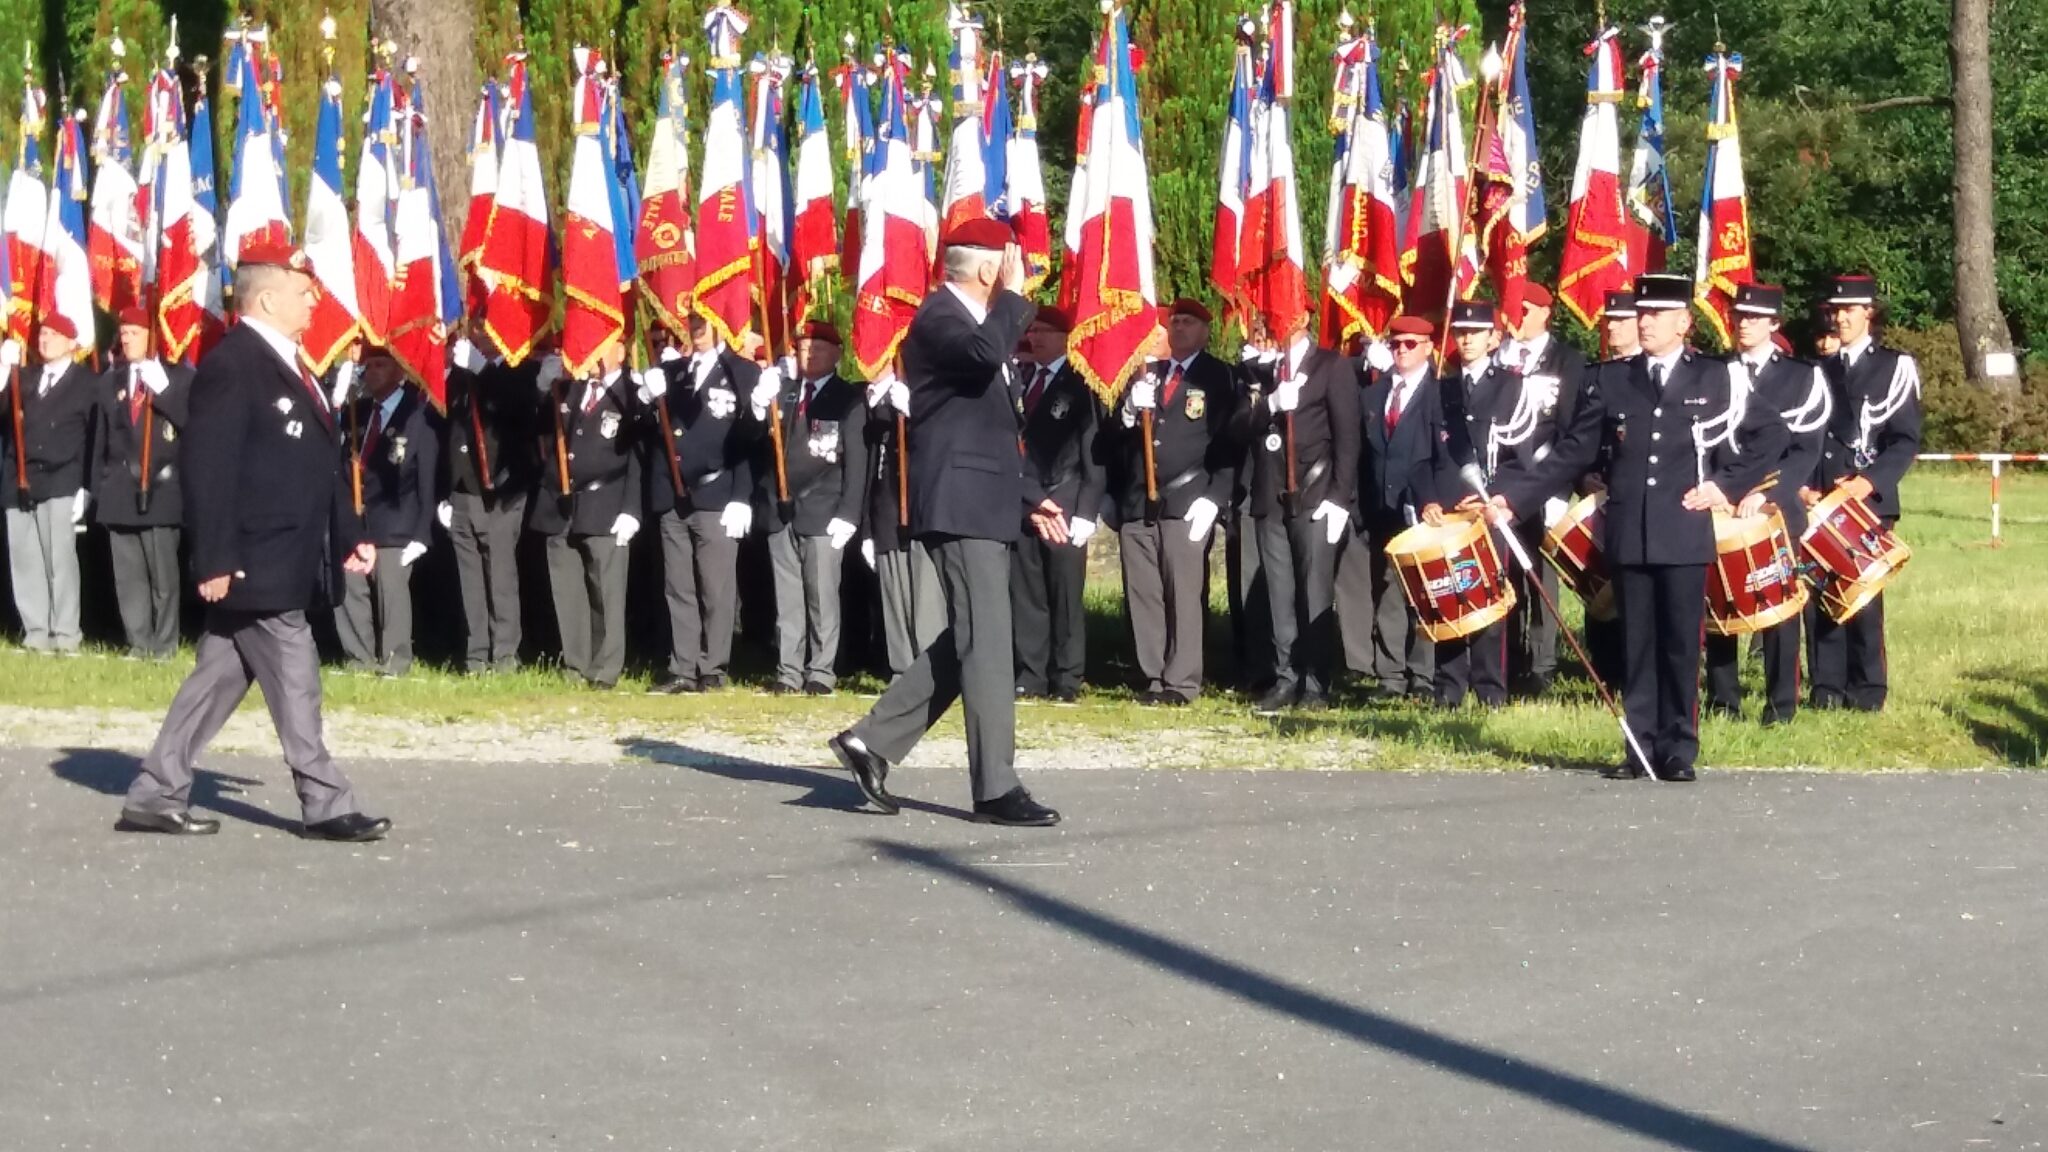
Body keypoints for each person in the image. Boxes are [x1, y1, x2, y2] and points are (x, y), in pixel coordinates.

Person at [119, 243, 390, 840]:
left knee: (217, 677)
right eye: (303, 290)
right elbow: (208, 467)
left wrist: (349, 534)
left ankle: (155, 791)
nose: (315, 298)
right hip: (253, 560)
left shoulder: (292, 363)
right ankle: (326, 802)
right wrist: (214, 557)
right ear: (267, 298)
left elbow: (319, 463)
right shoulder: (233, 363)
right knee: (297, 675)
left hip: (287, 554)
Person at [1497, 273, 1786, 782]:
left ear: (1684, 322)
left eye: (1655, 315)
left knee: (1679, 644)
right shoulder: (1612, 379)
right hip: (1629, 530)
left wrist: (1726, 485)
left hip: (1684, 530)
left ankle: (1678, 748)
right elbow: (1573, 451)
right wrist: (1515, 497)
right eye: (1641, 314)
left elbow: (1771, 434)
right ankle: (1639, 745)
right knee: (1638, 644)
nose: (1644, 322)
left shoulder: (1716, 377)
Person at [828, 219, 1066, 826]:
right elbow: (986, 353)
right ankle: (995, 789)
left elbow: (993, 430)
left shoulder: (974, 323)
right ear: (988, 267)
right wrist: (1011, 296)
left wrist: (1030, 494)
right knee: (985, 640)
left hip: (983, 498)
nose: (1020, 274)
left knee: (974, 637)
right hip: (959, 503)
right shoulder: (940, 318)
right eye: (1010, 262)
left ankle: (871, 742)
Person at [1705, 284, 1831, 725]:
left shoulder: (1802, 376)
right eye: (1740, 317)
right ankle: (1723, 701)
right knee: (1718, 603)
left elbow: (1805, 449)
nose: (1745, 325)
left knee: (1779, 605)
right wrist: (1718, 490)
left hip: (1775, 506)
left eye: (1756, 319)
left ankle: (1781, 704)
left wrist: (1768, 495)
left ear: (1774, 324)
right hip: (1720, 502)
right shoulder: (1714, 371)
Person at [1231, 313, 1360, 714]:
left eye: (1278, 312)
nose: (1270, 322)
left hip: (1316, 495)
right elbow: (1235, 428)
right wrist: (1269, 401)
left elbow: (1348, 437)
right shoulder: (1260, 371)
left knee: (1314, 590)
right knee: (1279, 594)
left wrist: (1340, 497)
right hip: (1271, 497)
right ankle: (1287, 677)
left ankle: (1317, 681)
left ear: (1301, 316)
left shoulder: (1330, 365)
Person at [1109, 298, 1234, 705]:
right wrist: (1128, 410)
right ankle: (1153, 676)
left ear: (1205, 330)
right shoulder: (1146, 375)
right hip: (1140, 498)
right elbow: (1111, 440)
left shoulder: (1219, 377)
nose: (1178, 328)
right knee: (1143, 591)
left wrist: (1215, 497)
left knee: (1183, 592)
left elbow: (1230, 443)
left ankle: (1182, 681)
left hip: (1188, 496)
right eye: (1174, 321)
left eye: (1188, 322)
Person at [1809, 273, 1921, 713]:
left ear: (1869, 314)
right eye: (1835, 312)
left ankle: (1868, 689)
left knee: (1863, 595)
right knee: (1822, 595)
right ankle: (1826, 687)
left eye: (1849, 311)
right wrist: (1804, 485)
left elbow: (1904, 439)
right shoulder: (1819, 369)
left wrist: (1869, 481)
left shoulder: (1894, 367)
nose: (1840, 319)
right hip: (1821, 496)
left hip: (1867, 498)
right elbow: (1811, 435)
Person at [643, 314, 769, 694]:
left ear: (719, 323)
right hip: (673, 492)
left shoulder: (741, 373)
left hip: (718, 491)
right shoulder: (672, 371)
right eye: (691, 324)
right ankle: (682, 666)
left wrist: (741, 497)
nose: (695, 332)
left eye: (703, 324)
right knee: (678, 585)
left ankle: (713, 666)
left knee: (716, 587)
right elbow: (654, 434)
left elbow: (751, 442)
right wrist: (647, 401)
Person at [755, 320, 868, 695]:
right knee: (787, 597)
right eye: (802, 346)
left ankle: (820, 671)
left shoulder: (847, 398)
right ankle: (788, 670)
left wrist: (849, 513)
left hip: (824, 510)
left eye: (818, 346)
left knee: (821, 596)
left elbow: (857, 460)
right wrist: (758, 404)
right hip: (780, 508)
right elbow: (760, 446)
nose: (809, 352)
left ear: (837, 354)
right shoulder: (784, 393)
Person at [1349, 314, 1453, 700]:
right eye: (1396, 344)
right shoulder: (1374, 395)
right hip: (1382, 508)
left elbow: (1446, 455)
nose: (1402, 351)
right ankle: (1390, 675)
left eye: (1411, 344)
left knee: (1424, 593)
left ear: (1429, 347)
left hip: (1424, 508)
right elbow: (1363, 453)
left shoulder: (1441, 392)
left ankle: (1423, 675)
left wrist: (1435, 500)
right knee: (1388, 591)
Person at [530, 340, 643, 691]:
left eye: (602, 345)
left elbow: (639, 455)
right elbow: (542, 429)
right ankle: (575, 662)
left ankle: (606, 667)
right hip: (562, 503)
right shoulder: (571, 388)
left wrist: (631, 509)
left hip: (606, 502)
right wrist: (542, 391)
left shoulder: (632, 394)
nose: (592, 353)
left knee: (605, 590)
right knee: (568, 590)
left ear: (621, 352)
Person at [1011, 304, 1105, 704]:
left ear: (1066, 337)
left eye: (1046, 330)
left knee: (1065, 594)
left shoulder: (1082, 381)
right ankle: (1030, 674)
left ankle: (1067, 677)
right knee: (1026, 591)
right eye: (1033, 330)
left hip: (1065, 498)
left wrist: (1087, 508)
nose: (1036, 337)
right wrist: (1028, 499)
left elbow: (1093, 451)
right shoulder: (1019, 380)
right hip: (1024, 498)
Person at [1499, 284, 1589, 696]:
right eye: (1512, 308)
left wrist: (1560, 489)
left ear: (1545, 313)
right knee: (1507, 573)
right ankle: (1509, 659)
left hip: (1547, 484)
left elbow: (1572, 432)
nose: (1516, 315)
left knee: (1541, 575)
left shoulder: (1567, 361)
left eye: (1526, 308)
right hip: (1504, 487)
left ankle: (1542, 662)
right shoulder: (1499, 359)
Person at [1434, 301, 1520, 710]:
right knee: (1448, 596)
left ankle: (1490, 689)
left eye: (1475, 332)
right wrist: (1433, 499)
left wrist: (1498, 497)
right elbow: (1428, 452)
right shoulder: (1441, 387)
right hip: (1451, 508)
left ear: (1494, 338)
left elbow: (1521, 452)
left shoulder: (1511, 386)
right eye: (1461, 332)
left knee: (1489, 600)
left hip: (1489, 507)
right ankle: (1449, 686)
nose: (1466, 339)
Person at [95, 308, 193, 661]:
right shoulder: (110, 381)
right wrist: (95, 487)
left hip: (162, 489)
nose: (126, 339)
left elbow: (192, 426)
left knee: (162, 578)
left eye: (135, 332)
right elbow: (101, 441)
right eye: (123, 333)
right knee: (129, 577)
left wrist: (164, 391)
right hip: (121, 488)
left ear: (152, 336)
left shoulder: (178, 378)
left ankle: (164, 644)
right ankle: (138, 642)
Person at [336, 347, 440, 677]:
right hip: (359, 520)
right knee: (352, 588)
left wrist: (422, 532)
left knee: (391, 595)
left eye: (380, 364)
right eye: (368, 365)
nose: (372, 371)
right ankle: (359, 660)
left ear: (401, 369)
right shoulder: (360, 411)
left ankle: (396, 662)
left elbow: (426, 477)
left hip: (398, 522)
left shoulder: (419, 414)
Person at [443, 324, 540, 675]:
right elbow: (450, 430)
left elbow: (516, 407)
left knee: (500, 573)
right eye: (479, 326)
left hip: (502, 487)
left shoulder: (521, 369)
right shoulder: (459, 374)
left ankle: (504, 655)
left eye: (489, 326)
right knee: (470, 577)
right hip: (463, 486)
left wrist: (483, 370)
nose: (483, 333)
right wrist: (446, 489)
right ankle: (476, 654)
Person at [1, 314, 97, 655]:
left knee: (60, 561)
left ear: (72, 342)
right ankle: (36, 632)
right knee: (25, 560)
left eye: (54, 335)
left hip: (62, 478)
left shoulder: (86, 383)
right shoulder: (23, 378)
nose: (44, 341)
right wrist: (3, 371)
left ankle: (66, 634)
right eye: (42, 334)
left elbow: (94, 438)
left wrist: (87, 486)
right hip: (20, 479)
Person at [861, 364, 945, 678]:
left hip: (922, 509)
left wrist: (914, 413)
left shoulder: (928, 394)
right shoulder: (882, 406)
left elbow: (942, 444)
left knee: (925, 601)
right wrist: (868, 527)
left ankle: (929, 674)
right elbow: (874, 466)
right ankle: (901, 671)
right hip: (887, 510)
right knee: (895, 600)